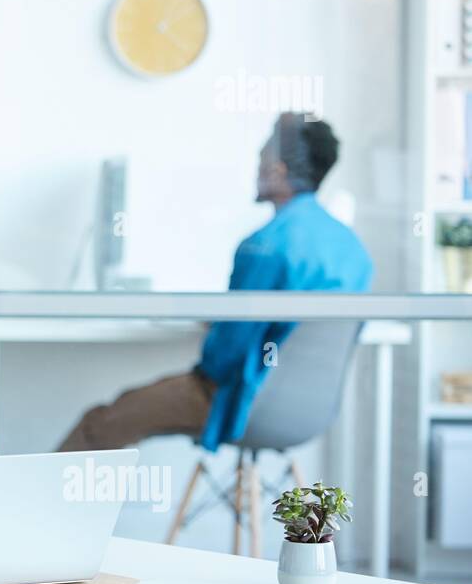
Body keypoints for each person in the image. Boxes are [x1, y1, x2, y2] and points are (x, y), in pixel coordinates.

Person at [58, 112, 374, 455]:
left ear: (278, 171)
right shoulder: (354, 249)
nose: (257, 164)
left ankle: (38, 507)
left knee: (103, 423)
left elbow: (225, 356)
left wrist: (217, 327)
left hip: (241, 400)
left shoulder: (264, 245)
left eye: (263, 155)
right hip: (309, 415)